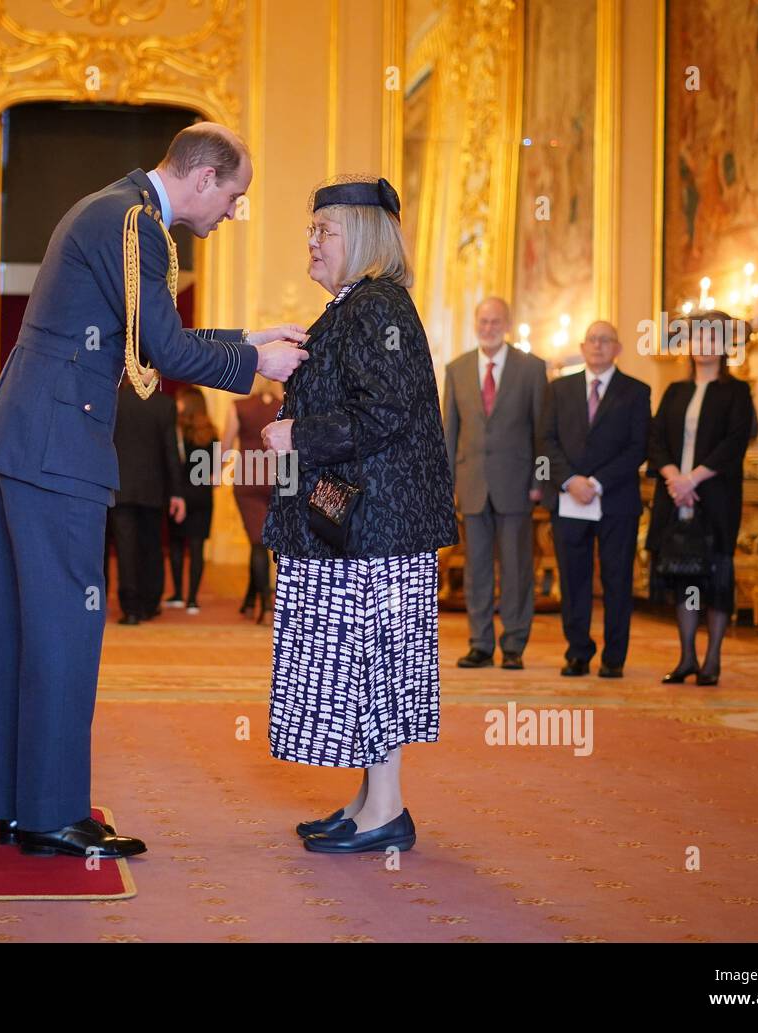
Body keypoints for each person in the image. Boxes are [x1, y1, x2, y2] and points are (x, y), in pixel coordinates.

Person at [0, 122, 309, 858]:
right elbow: (168, 347)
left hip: (35, 436)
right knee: (63, 628)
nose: (231, 213)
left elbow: (154, 334)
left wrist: (252, 336)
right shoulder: (139, 227)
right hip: (57, 443)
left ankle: (26, 805)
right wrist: (259, 359)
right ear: (202, 178)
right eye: (235, 196)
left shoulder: (121, 210)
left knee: (34, 630)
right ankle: (51, 814)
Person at [261, 175, 456, 854]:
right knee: (368, 665)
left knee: (376, 665)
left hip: (380, 528)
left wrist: (297, 434)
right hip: (365, 524)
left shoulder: (378, 307)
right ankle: (371, 800)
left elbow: (387, 411)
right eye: (310, 229)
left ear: (366, 238)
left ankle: (387, 810)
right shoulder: (359, 306)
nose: (311, 244)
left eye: (325, 230)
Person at [537, 321, 651, 677]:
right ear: (583, 347)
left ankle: (614, 657)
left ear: (617, 349)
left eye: (606, 341)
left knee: (617, 578)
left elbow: (639, 447)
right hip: (569, 498)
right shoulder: (559, 389)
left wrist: (597, 483)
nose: (598, 346)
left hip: (616, 499)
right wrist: (570, 480)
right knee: (574, 578)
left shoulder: (636, 391)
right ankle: (578, 651)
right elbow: (545, 441)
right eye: (593, 340)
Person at [647, 311, 754, 687]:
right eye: (697, 337)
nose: (703, 344)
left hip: (716, 497)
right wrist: (674, 478)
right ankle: (687, 656)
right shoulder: (675, 391)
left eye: (712, 337)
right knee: (683, 575)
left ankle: (712, 660)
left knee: (715, 575)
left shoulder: (736, 392)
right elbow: (655, 439)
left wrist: (694, 478)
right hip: (675, 496)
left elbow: (735, 442)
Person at [442, 296, 547, 670]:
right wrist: (447, 486)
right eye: (483, 321)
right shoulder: (457, 370)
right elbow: (449, 433)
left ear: (508, 324)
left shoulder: (532, 369)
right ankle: (480, 643)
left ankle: (514, 644)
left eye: (496, 321)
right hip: (471, 485)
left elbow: (541, 433)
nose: (489, 327)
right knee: (477, 569)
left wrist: (541, 480)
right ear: (476, 323)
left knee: (517, 569)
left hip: (517, 486)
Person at [108, 378, 183, 624]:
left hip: (119, 488)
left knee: (125, 548)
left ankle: (130, 608)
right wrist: (176, 493)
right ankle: (150, 603)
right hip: (153, 489)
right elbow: (171, 451)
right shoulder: (164, 404)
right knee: (152, 546)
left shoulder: (114, 400)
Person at [222, 377, 281, 622]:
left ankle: (266, 606)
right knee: (269, 542)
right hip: (281, 480)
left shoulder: (239, 407)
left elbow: (226, 445)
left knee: (257, 542)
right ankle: (250, 600)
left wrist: (216, 471)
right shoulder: (284, 406)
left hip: (248, 479)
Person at [166, 386, 216, 614]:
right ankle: (193, 600)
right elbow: (214, 470)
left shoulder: (178, 431)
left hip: (181, 493)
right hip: (203, 495)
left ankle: (177, 594)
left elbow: (174, 465)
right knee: (197, 548)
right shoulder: (212, 433)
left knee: (177, 545)